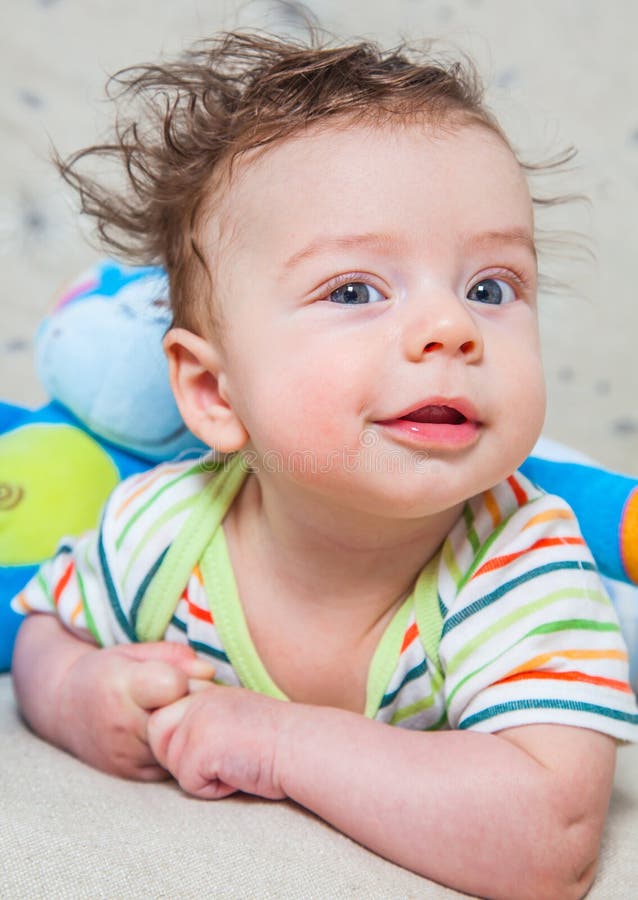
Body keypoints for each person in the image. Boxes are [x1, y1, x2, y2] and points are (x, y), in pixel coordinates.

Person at [10, 28, 638, 899]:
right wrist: (79, 691)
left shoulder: (520, 557)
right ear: (214, 394)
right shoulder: (167, 525)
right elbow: (42, 625)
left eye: (490, 287)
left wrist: (279, 743)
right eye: (354, 290)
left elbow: (551, 840)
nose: (450, 328)